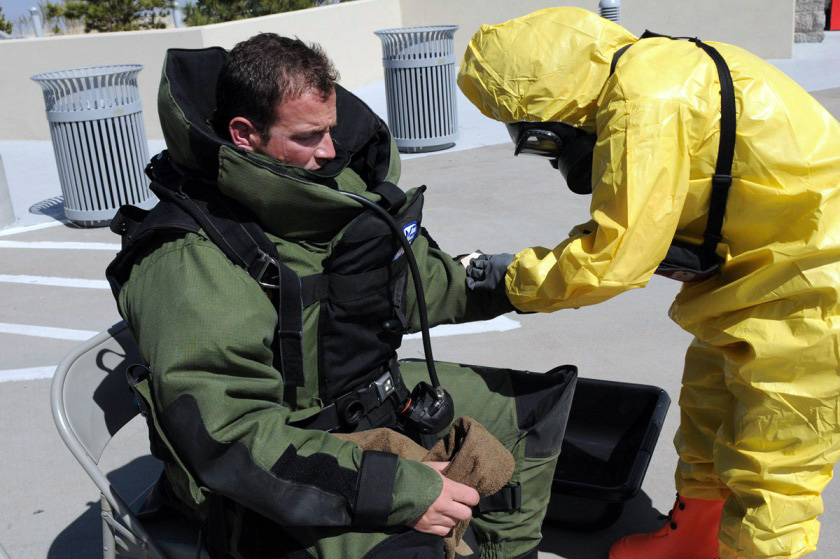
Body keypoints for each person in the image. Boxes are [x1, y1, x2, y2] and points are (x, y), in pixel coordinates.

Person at [106, 33, 574, 559]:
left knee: (534, 410)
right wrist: (403, 492)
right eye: (307, 136)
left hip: (365, 399)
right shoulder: (189, 261)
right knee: (410, 546)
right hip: (276, 464)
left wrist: (544, 278)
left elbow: (418, 284)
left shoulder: (331, 191)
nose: (328, 151)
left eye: (329, 129)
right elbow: (232, 435)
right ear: (244, 134)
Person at [457, 6, 840, 559]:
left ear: (551, 99)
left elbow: (616, 255)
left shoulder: (647, 101)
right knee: (709, 410)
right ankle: (692, 539)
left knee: (776, 456)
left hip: (813, 284)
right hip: (757, 268)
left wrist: (504, 278)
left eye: (541, 140)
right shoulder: (646, 71)